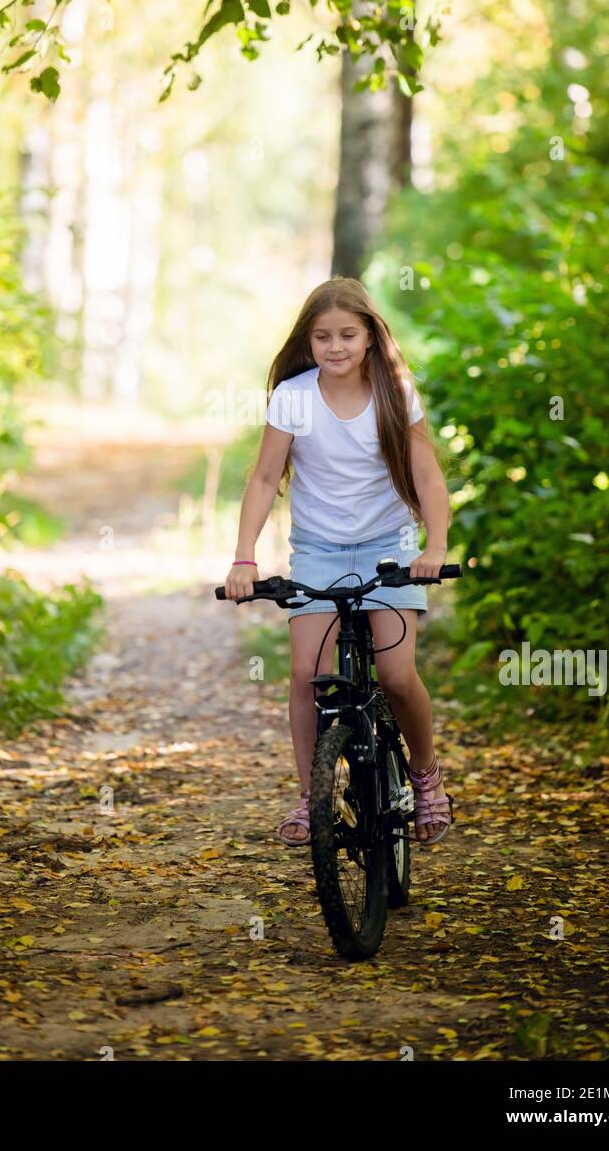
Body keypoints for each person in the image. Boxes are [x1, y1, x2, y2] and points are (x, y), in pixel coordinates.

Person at [223, 276, 454, 847]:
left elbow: (427, 474)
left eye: (348, 334)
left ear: (370, 336)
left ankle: (425, 776)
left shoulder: (395, 391)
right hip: (319, 552)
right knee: (306, 676)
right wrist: (243, 558)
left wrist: (436, 547)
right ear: (308, 341)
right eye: (323, 336)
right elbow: (263, 478)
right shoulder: (293, 397)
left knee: (398, 677)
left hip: (390, 549)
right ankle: (311, 795)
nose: (335, 347)